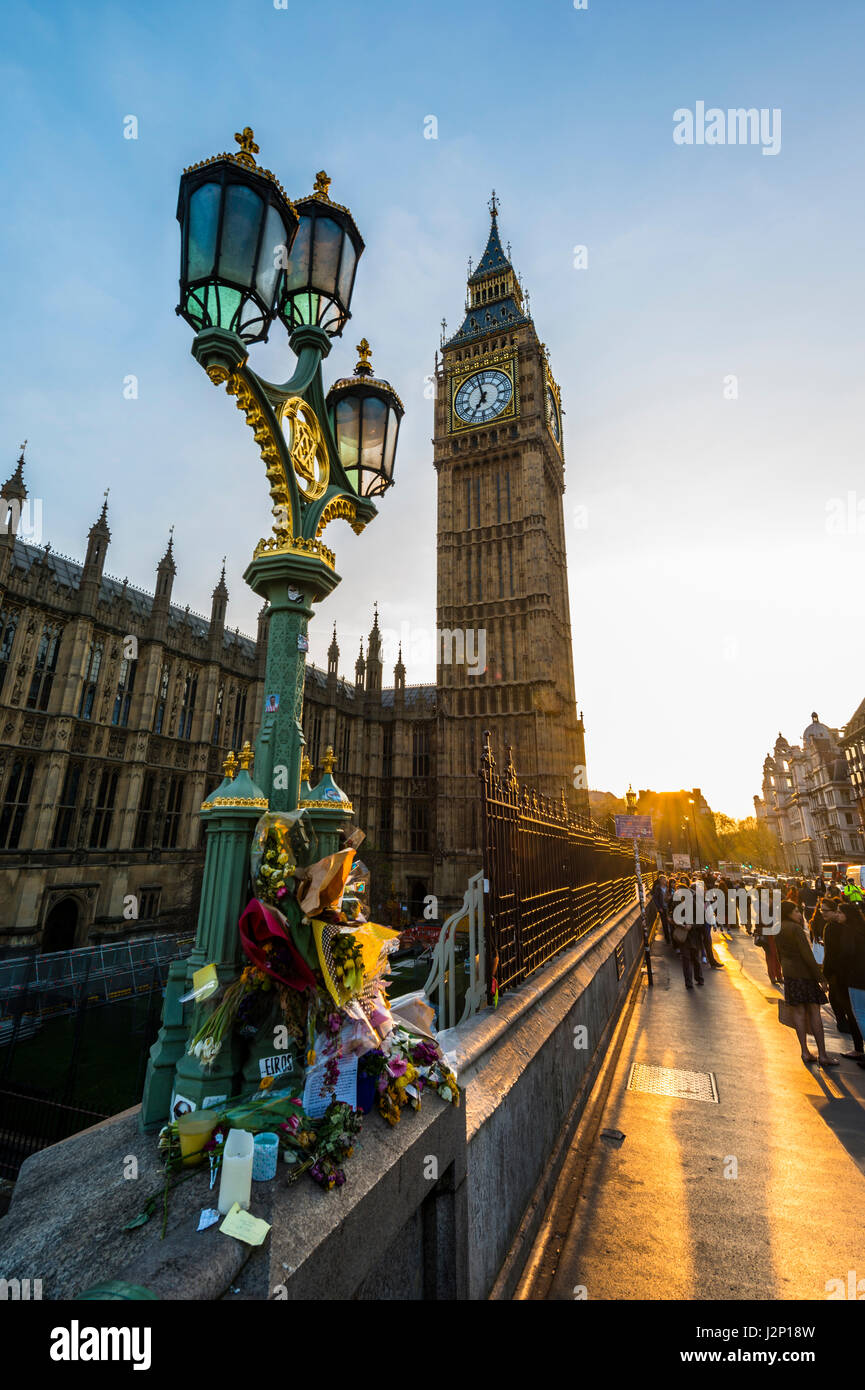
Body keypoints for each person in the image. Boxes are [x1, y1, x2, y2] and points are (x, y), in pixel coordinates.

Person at [775, 901, 837, 1066]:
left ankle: (804, 1051)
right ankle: (822, 1055)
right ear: (788, 913)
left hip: (789, 974)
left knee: (799, 1013)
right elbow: (807, 955)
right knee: (815, 1012)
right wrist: (821, 978)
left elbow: (779, 953)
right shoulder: (795, 929)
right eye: (796, 911)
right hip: (804, 974)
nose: (798, 914)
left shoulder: (778, 927)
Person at [822, 899, 865, 1062]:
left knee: (857, 1014)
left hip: (851, 978)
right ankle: (858, 1049)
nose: (837, 915)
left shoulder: (843, 930)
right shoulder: (859, 928)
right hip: (856, 977)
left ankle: (859, 1049)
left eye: (839, 912)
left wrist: (827, 973)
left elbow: (840, 955)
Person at [672, 880, 704, 989]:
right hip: (683, 935)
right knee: (686, 959)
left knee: (695, 958)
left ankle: (699, 978)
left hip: (693, 935)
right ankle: (689, 982)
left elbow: (701, 921)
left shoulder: (694, 904)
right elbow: (672, 916)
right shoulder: (676, 903)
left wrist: (692, 925)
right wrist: (675, 921)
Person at [651, 873, 672, 945]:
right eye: (663, 880)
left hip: (669, 908)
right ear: (660, 881)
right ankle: (668, 939)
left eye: (665, 879)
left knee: (671, 923)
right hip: (663, 908)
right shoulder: (658, 888)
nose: (665, 881)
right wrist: (659, 907)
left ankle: (672, 938)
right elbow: (655, 898)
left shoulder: (668, 887)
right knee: (665, 924)